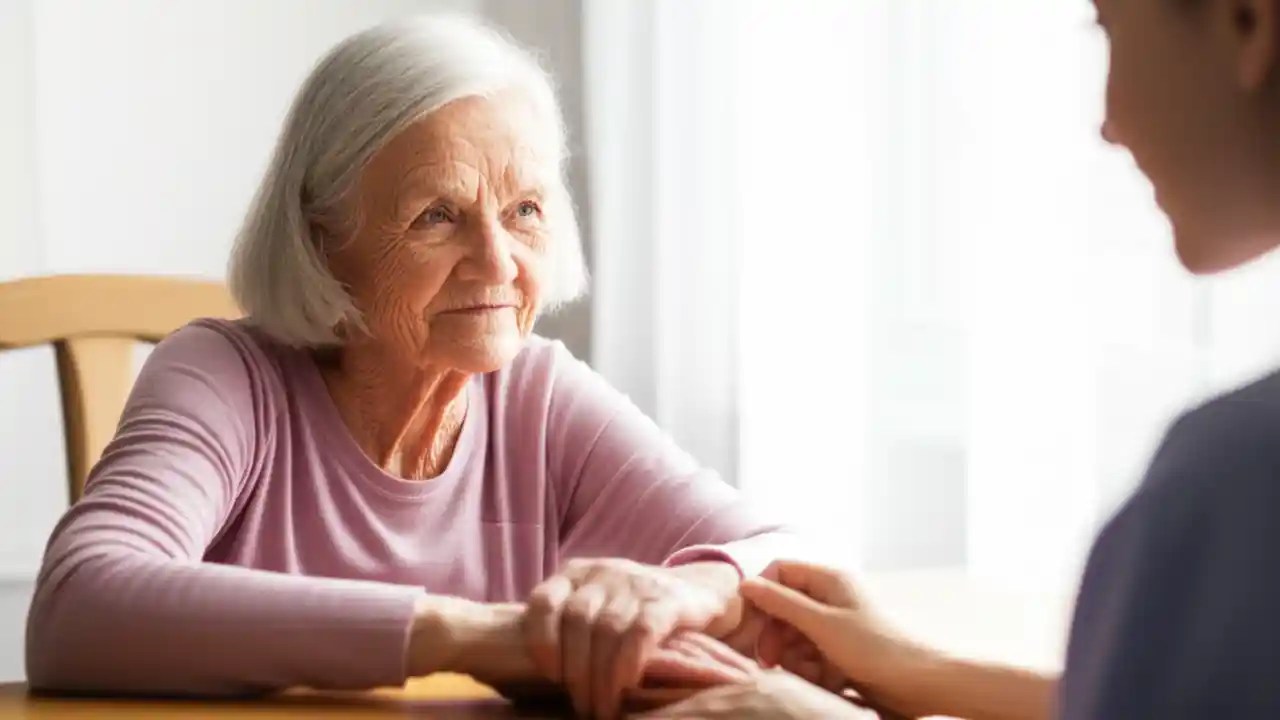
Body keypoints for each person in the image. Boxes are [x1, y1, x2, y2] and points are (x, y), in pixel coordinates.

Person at [23, 15, 803, 720]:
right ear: (321, 238)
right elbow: (78, 605)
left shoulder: (538, 393)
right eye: (438, 216)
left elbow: (798, 571)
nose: (497, 263)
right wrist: (471, 633)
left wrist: (680, 588)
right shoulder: (225, 378)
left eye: (524, 210)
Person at [642, 0, 1280, 717]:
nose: (1109, 123)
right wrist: (915, 669)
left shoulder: (1237, 485)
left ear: (1246, 22)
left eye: (1109, 28)